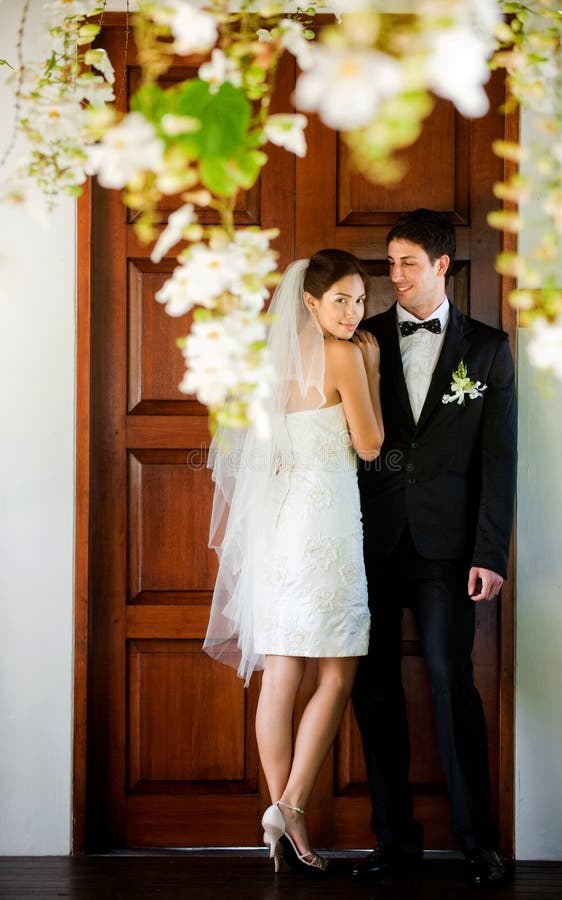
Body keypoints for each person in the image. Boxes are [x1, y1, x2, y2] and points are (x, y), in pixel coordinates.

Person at [204, 249, 383, 876]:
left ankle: (282, 819)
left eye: (361, 300)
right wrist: (373, 369)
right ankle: (291, 805)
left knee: (281, 675)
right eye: (341, 300)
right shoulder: (345, 355)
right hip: (326, 525)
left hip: (280, 530)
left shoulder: (270, 362)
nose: (354, 312)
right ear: (310, 302)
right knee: (337, 671)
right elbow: (371, 445)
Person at [351, 209, 517, 888]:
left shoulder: (488, 348)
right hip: (368, 542)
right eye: (390, 263)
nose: (395, 275)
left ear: (442, 265)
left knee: (452, 681)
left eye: (408, 264)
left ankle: (477, 841)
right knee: (373, 688)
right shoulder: (361, 338)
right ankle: (393, 840)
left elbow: (499, 459)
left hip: (449, 549)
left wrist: (491, 553)